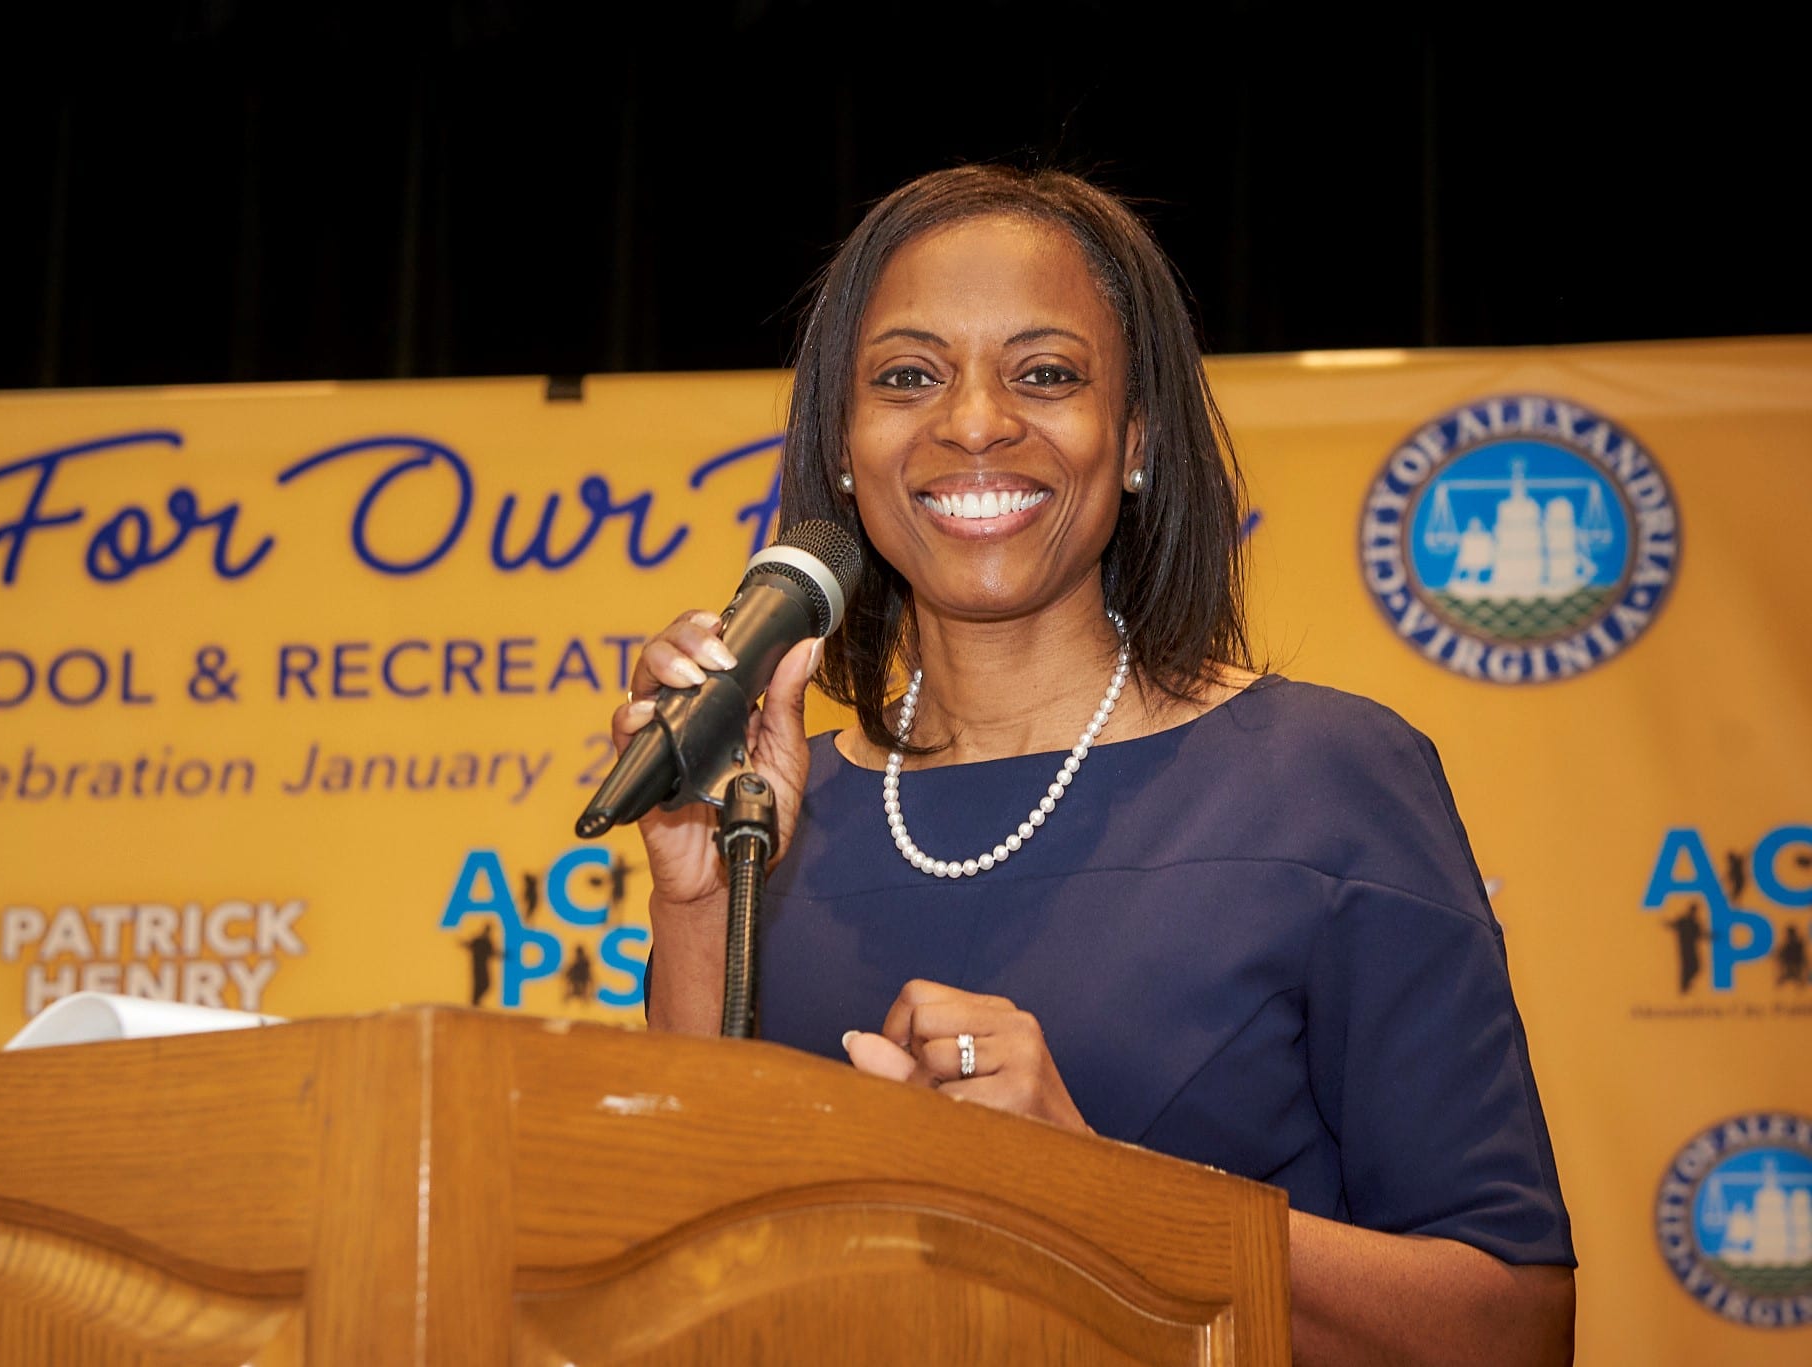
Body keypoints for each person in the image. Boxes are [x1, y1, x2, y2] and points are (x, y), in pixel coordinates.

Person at [614, 164, 1575, 1365]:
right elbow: (692, 1258)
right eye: (906, 376)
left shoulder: (1324, 778)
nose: (973, 421)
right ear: (844, 450)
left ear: (1133, 439)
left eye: (1045, 374)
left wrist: (1087, 1186)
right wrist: (696, 902)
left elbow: (1509, 1328)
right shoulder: (777, 818)